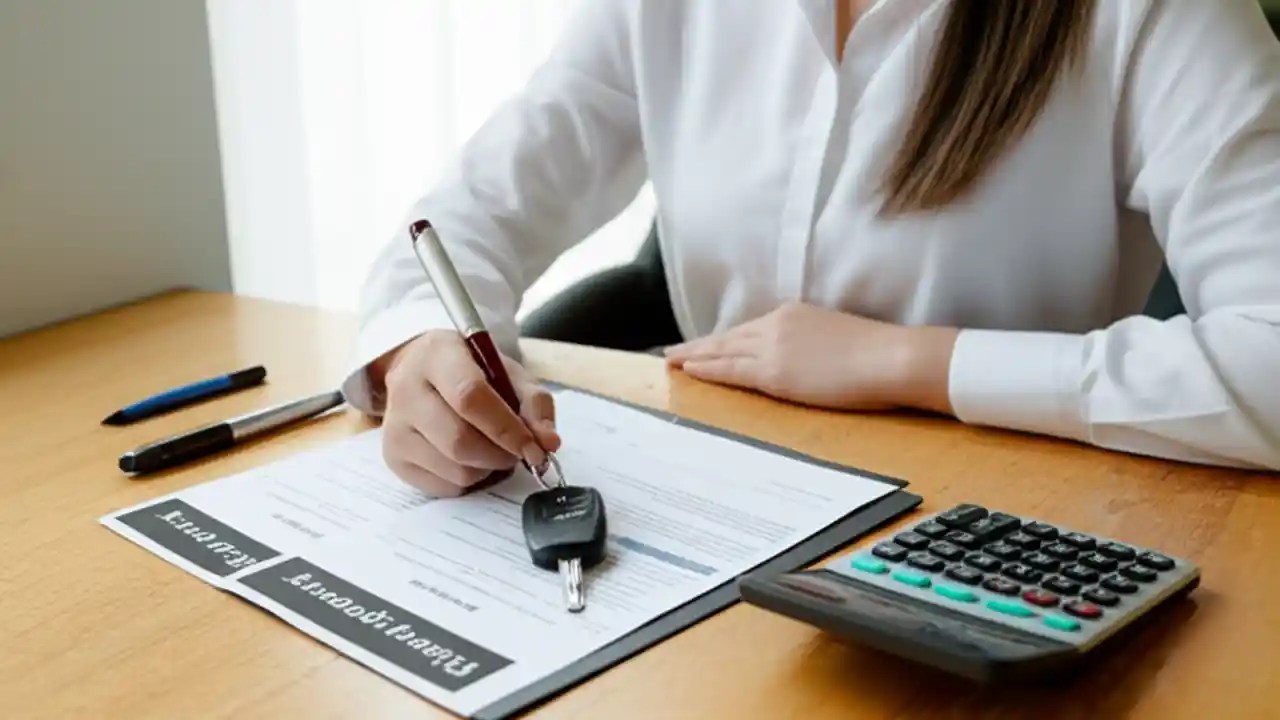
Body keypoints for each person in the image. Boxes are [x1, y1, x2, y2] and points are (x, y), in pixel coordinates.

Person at [342, 0, 1280, 497]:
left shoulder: (1160, 12)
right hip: (712, 517)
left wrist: (912, 362)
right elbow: (465, 220)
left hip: (992, 535)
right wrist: (422, 348)